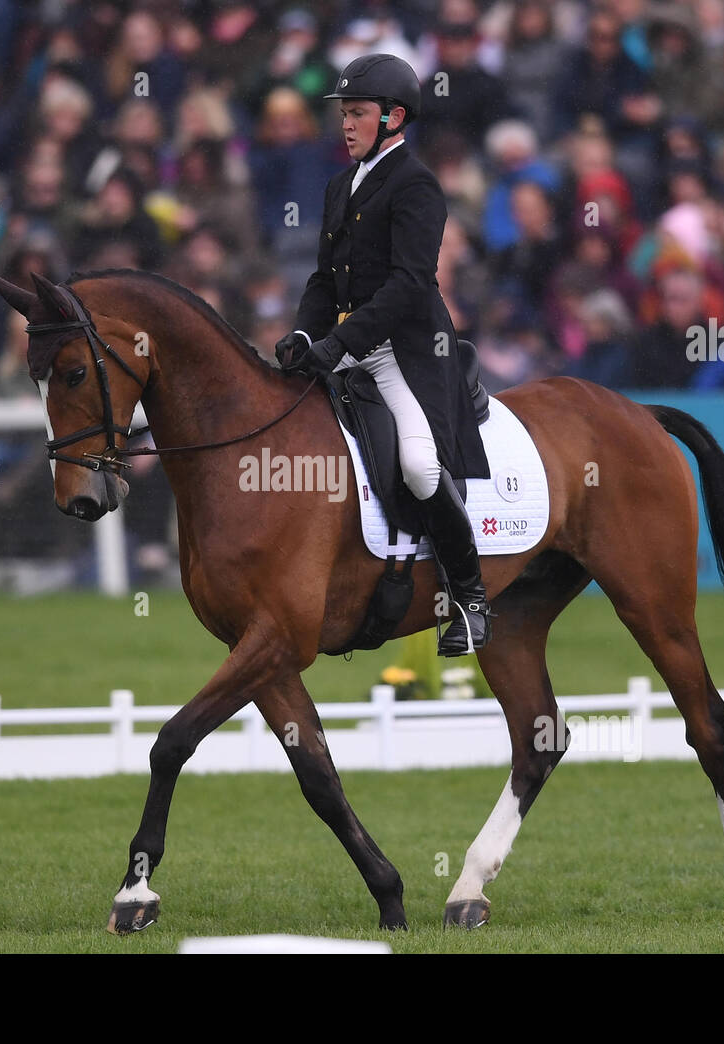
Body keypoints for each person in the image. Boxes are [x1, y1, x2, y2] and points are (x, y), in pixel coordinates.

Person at [274, 53, 493, 656]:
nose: (345, 124)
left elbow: (409, 285)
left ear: (394, 117)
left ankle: (470, 599)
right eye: (343, 113)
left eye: (358, 113)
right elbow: (325, 280)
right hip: (348, 346)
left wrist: (336, 344)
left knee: (422, 468)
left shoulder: (416, 185)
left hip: (404, 353)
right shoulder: (340, 184)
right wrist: (303, 335)